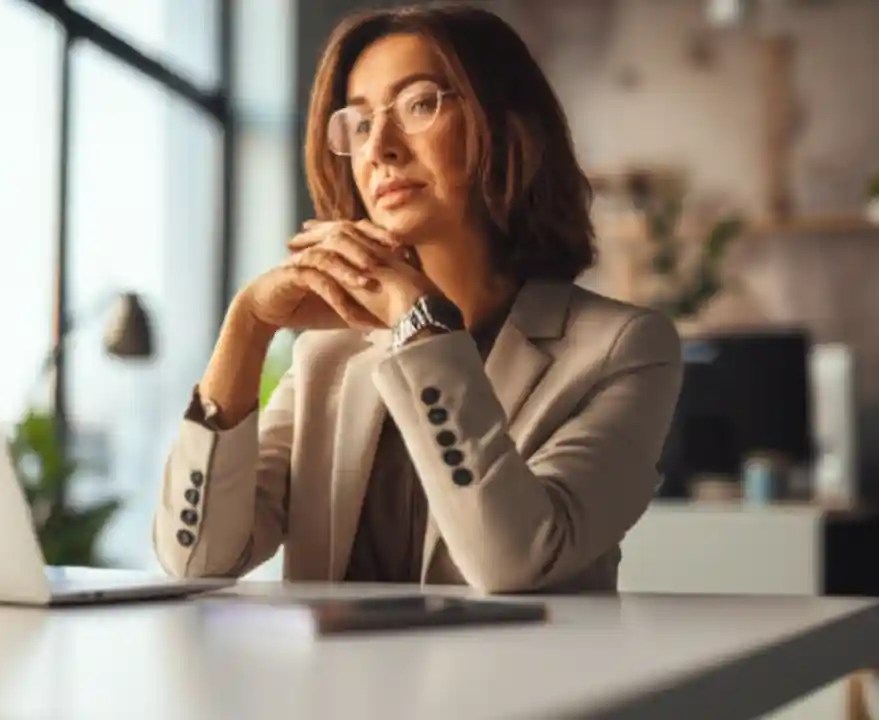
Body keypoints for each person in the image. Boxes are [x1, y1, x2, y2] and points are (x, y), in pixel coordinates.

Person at [153, 3, 682, 593]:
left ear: (509, 128)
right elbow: (199, 559)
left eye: (420, 104)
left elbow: (513, 561)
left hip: (526, 684)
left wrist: (418, 320)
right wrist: (246, 327)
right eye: (357, 121)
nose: (379, 146)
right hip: (332, 687)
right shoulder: (327, 355)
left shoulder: (624, 349)